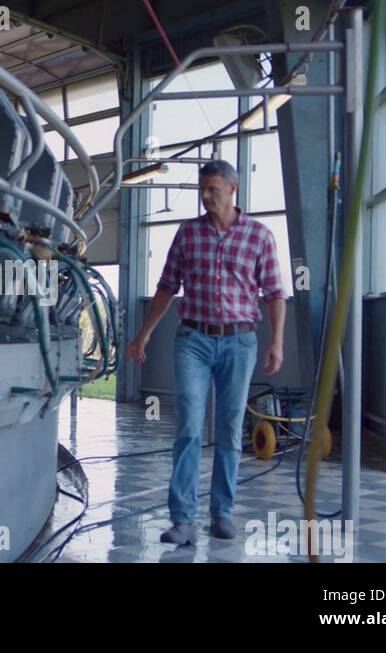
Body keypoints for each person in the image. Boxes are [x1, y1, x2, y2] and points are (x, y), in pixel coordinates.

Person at [126, 159, 288, 544]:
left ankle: (222, 512)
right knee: (188, 426)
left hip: (240, 341)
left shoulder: (259, 236)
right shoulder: (187, 234)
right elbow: (167, 286)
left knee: (231, 429)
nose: (206, 197)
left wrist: (277, 341)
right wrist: (144, 334)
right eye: (203, 190)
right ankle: (182, 519)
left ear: (233, 190)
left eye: (213, 190)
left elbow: (275, 294)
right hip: (193, 341)